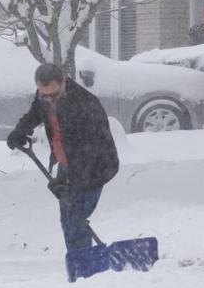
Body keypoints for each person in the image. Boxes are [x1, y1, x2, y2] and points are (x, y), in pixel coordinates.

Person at [6, 62, 119, 251]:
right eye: (44, 95)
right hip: (68, 163)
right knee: (69, 218)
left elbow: (88, 151)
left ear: (64, 82)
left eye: (53, 95)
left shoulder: (85, 105)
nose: (49, 100)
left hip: (95, 167)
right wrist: (19, 131)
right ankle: (80, 263)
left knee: (75, 218)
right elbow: (36, 112)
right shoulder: (44, 96)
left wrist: (67, 183)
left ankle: (84, 268)